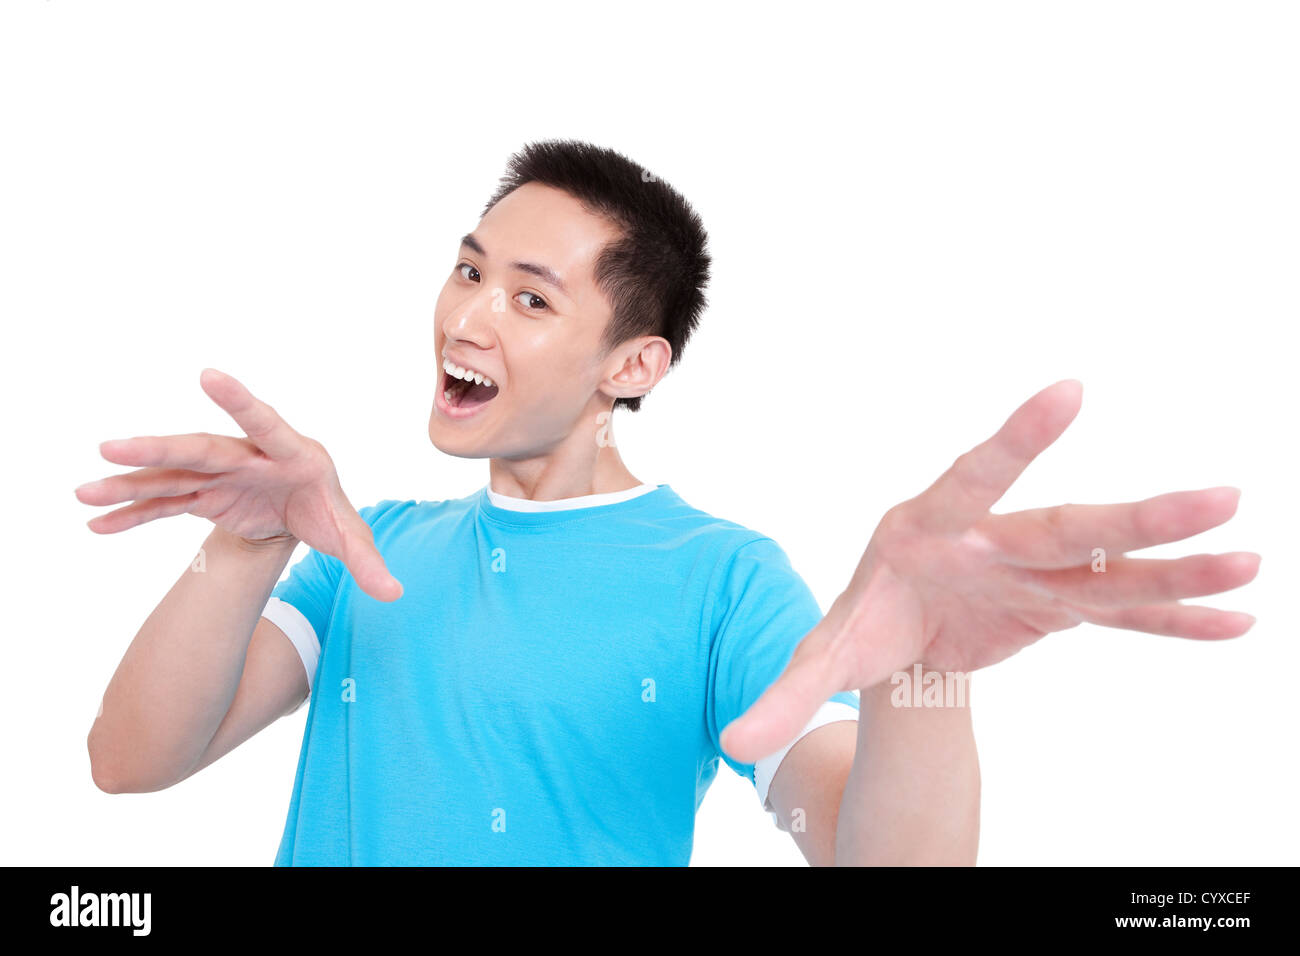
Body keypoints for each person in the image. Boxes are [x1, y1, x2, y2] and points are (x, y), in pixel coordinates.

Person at [79, 139, 1259, 866]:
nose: (468, 315)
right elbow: (128, 762)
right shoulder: (369, 544)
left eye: (532, 300)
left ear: (631, 366)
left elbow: (870, 855)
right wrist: (244, 547)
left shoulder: (723, 577)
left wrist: (920, 676)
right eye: (470, 267)